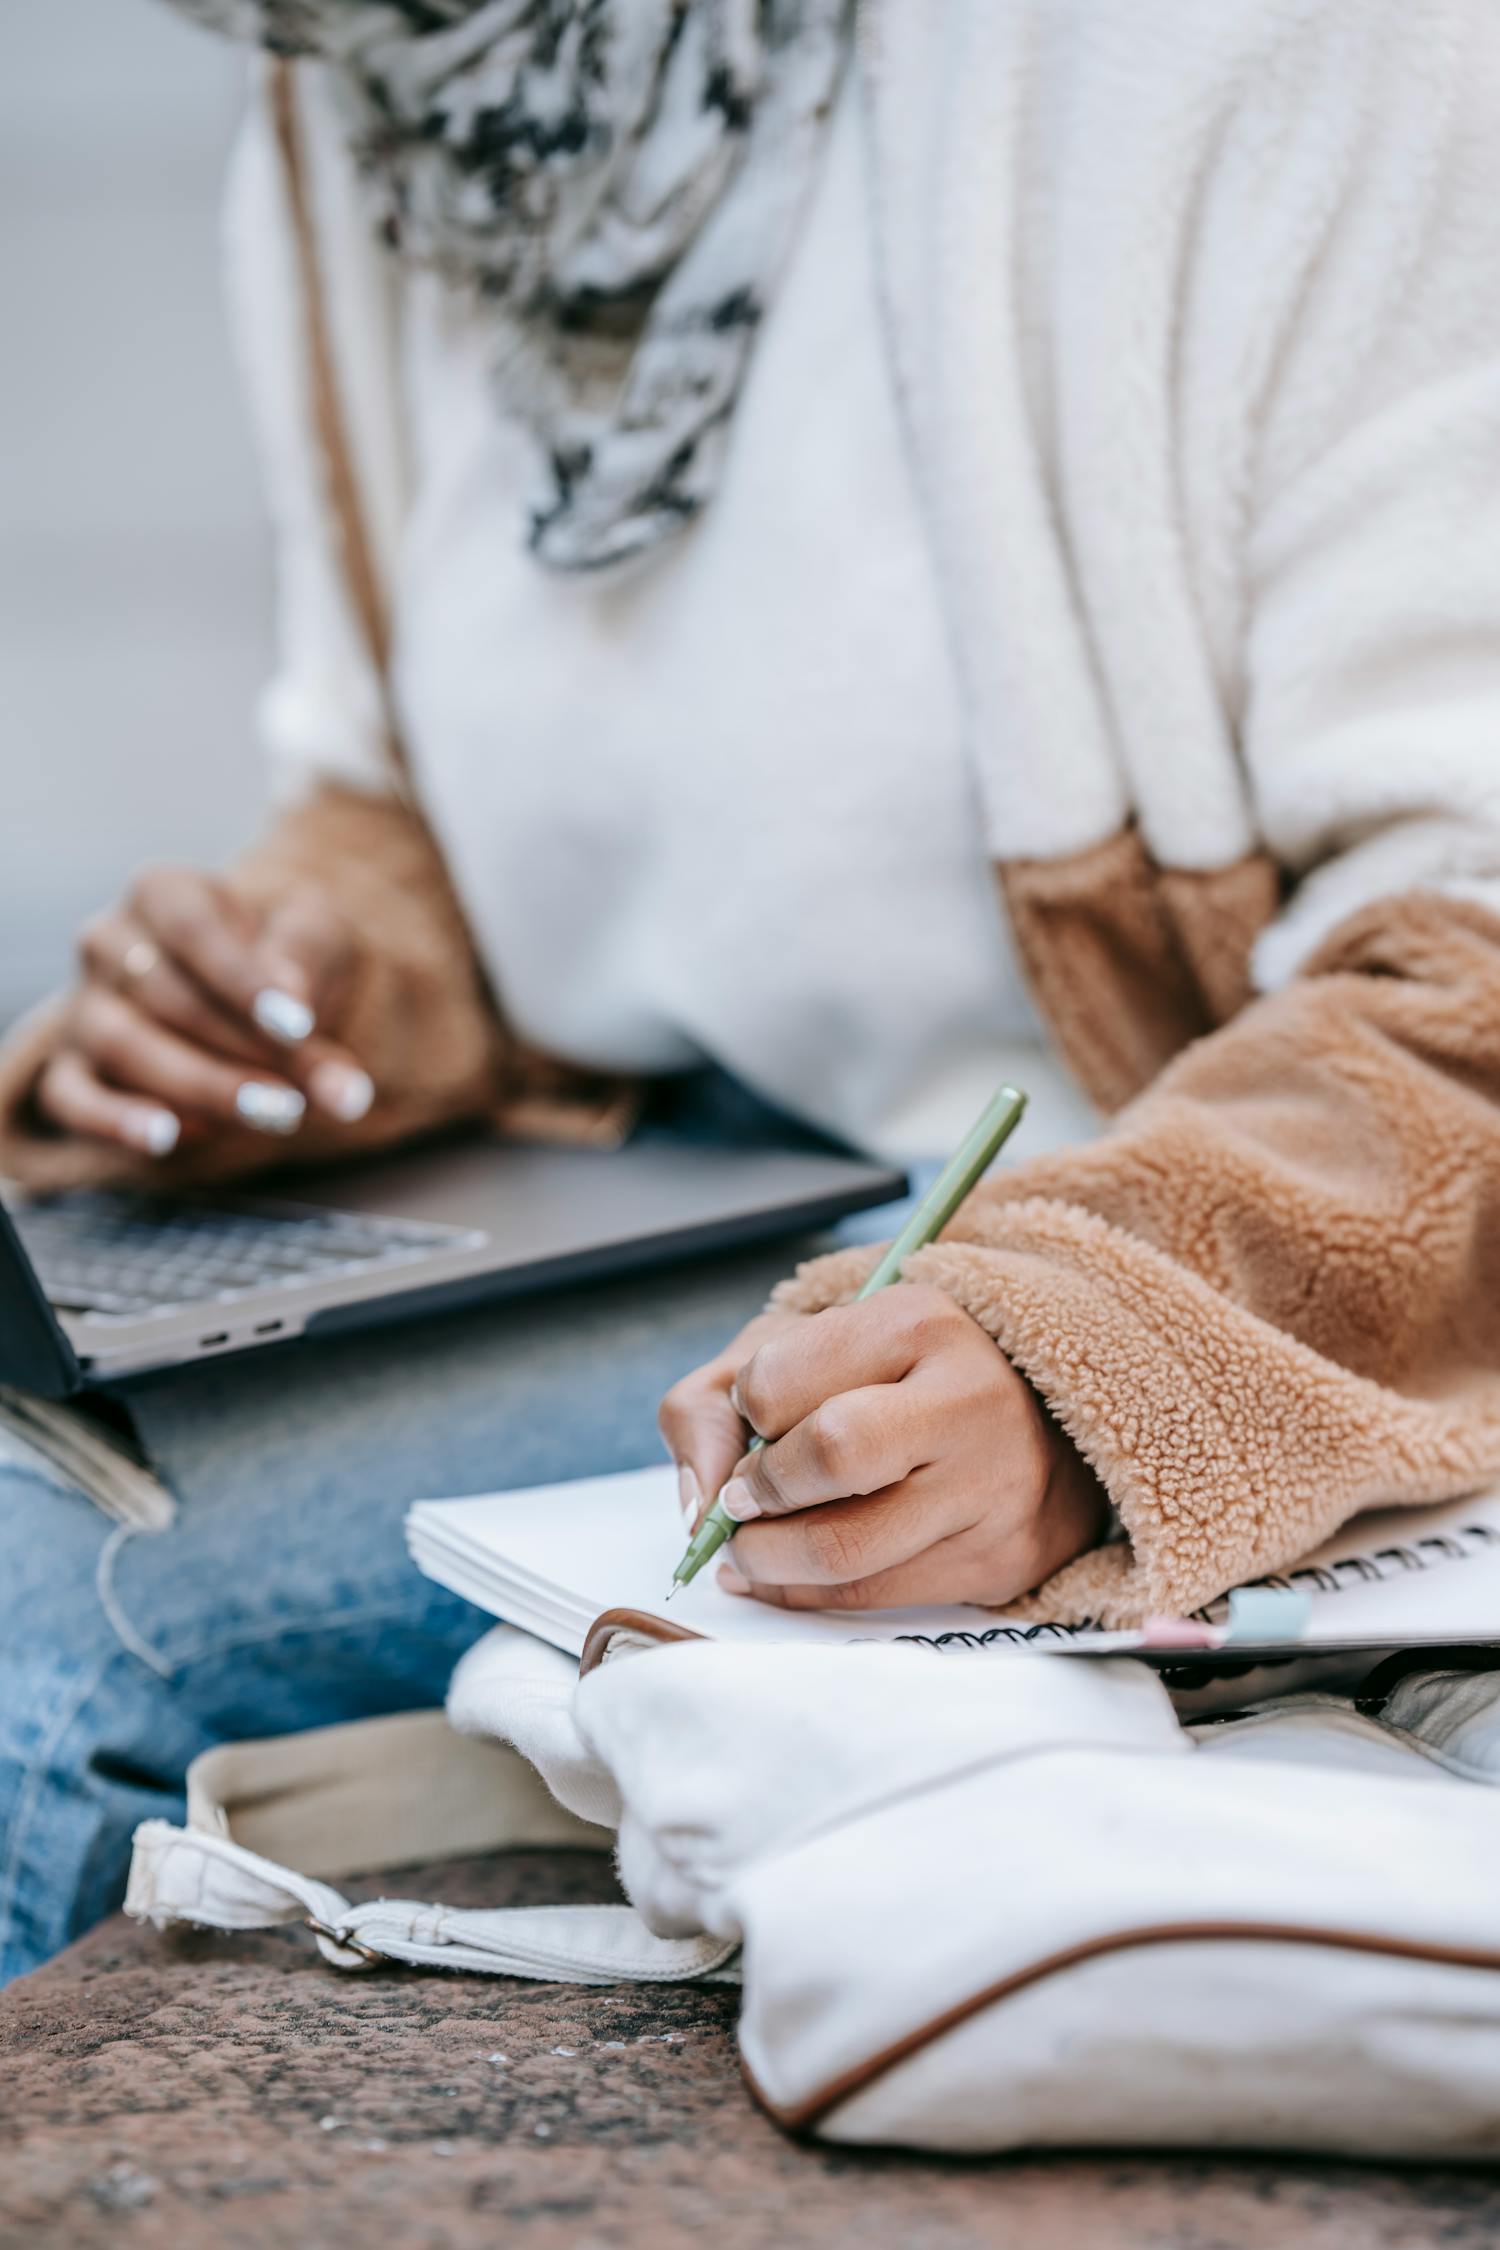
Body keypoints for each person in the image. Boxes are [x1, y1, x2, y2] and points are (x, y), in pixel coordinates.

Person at [3, 0, 1500, 1983]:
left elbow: (1465, 952)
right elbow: (408, 816)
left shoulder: (1257, 50)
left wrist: (1091, 1348)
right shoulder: (378, 82)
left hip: (1097, 1236)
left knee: (40, 1606)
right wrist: (314, 994)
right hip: (677, 1203)